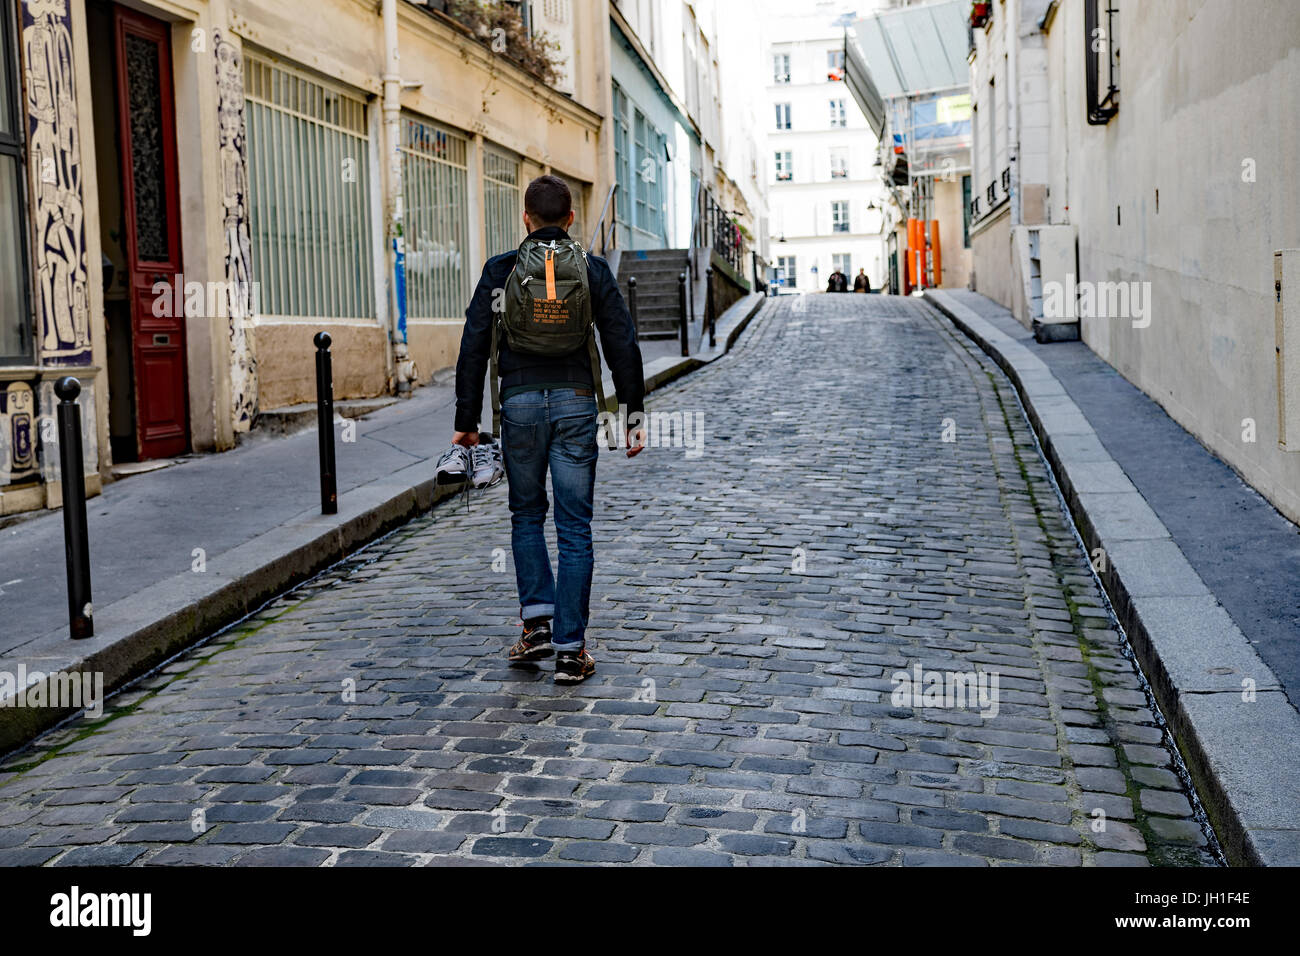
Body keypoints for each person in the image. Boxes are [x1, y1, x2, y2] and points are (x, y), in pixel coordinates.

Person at [452, 176, 647, 683]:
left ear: (525, 219)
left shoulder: (502, 270)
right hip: (577, 404)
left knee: (525, 514)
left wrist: (466, 423)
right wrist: (633, 414)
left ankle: (536, 624)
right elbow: (621, 341)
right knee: (575, 527)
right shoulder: (592, 269)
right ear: (571, 220)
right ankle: (569, 650)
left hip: (518, 406)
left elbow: (473, 345)